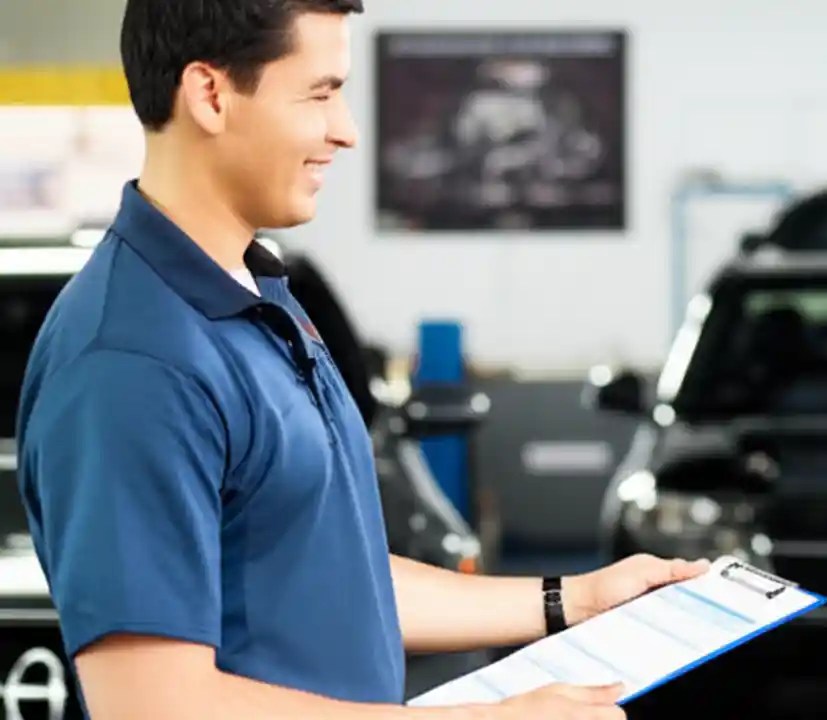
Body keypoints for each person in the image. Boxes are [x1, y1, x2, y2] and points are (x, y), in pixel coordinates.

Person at [14, 2, 707, 718]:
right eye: (320, 93)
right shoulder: (133, 362)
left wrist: (577, 598)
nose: (345, 130)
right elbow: (152, 706)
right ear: (210, 94)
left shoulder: (260, 302)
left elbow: (332, 580)